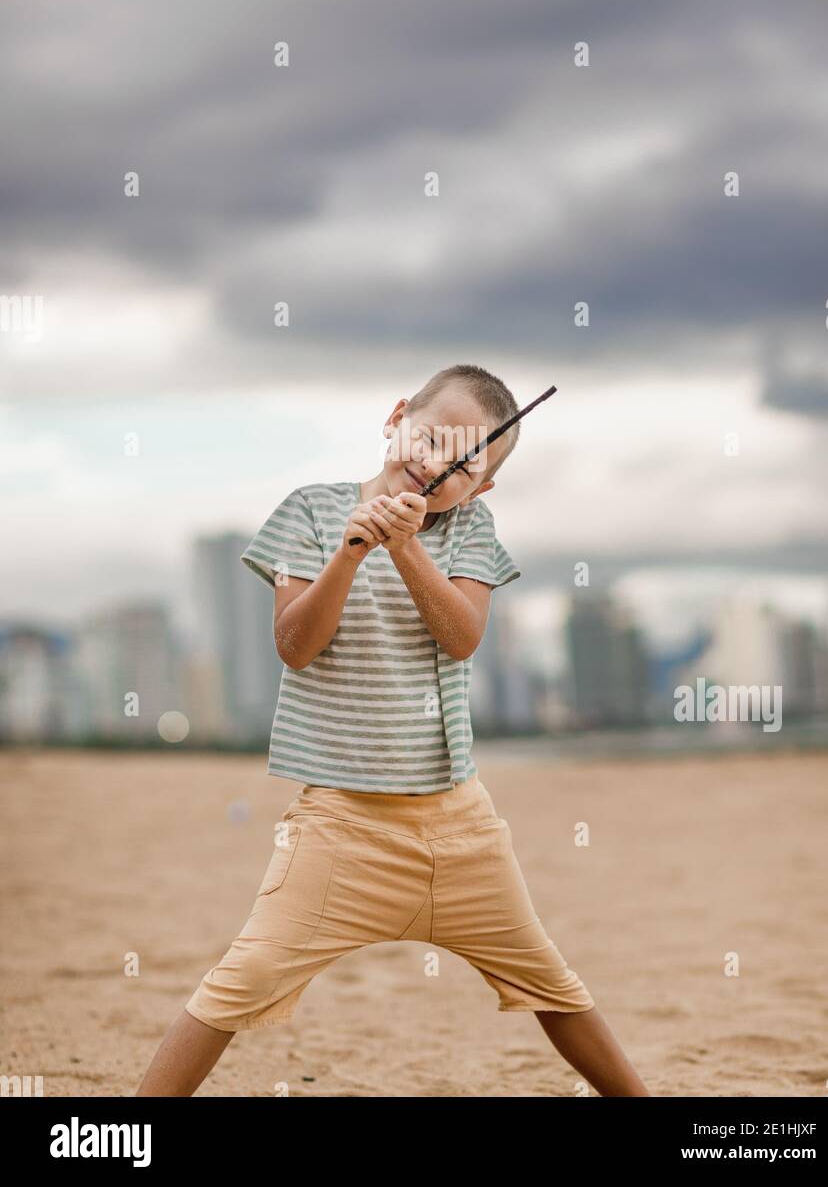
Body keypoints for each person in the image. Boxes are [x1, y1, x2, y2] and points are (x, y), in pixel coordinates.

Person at [135, 363, 649, 1096]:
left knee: (551, 981)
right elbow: (295, 645)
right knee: (241, 977)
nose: (436, 463)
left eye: (465, 462)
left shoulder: (472, 529)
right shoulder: (309, 512)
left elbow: (462, 635)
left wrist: (407, 546)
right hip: (339, 826)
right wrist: (350, 552)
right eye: (432, 436)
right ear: (397, 416)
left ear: (484, 487)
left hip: (459, 827)